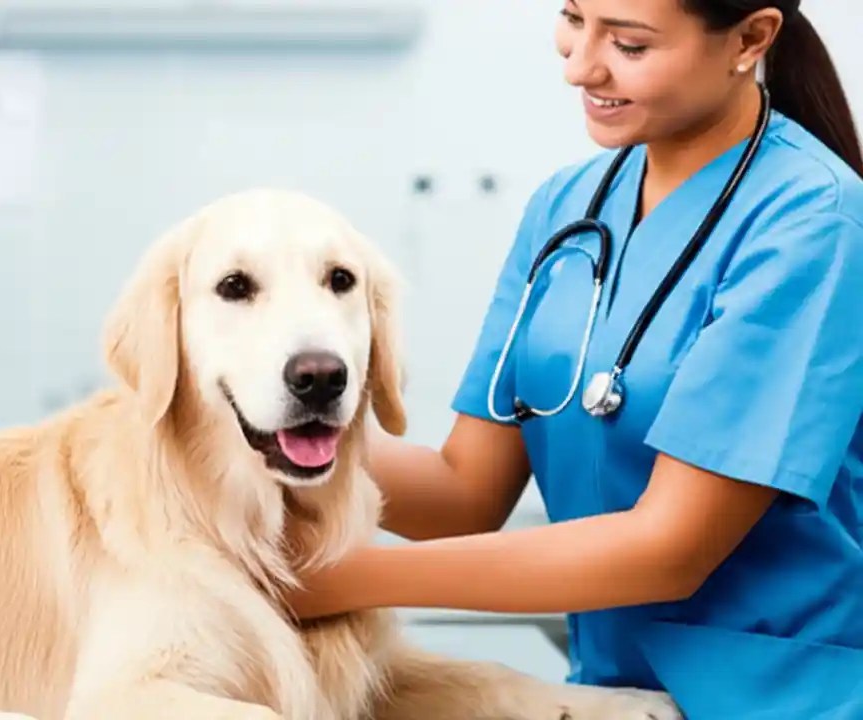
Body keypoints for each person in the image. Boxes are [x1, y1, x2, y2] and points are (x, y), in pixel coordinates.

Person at [283, 2, 863, 718]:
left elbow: (669, 549)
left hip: (780, 698)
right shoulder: (567, 208)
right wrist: (273, 425)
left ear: (751, 38)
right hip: (610, 695)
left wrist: (334, 580)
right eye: (573, 18)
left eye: (628, 44)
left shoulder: (812, 222)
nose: (580, 67)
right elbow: (464, 495)